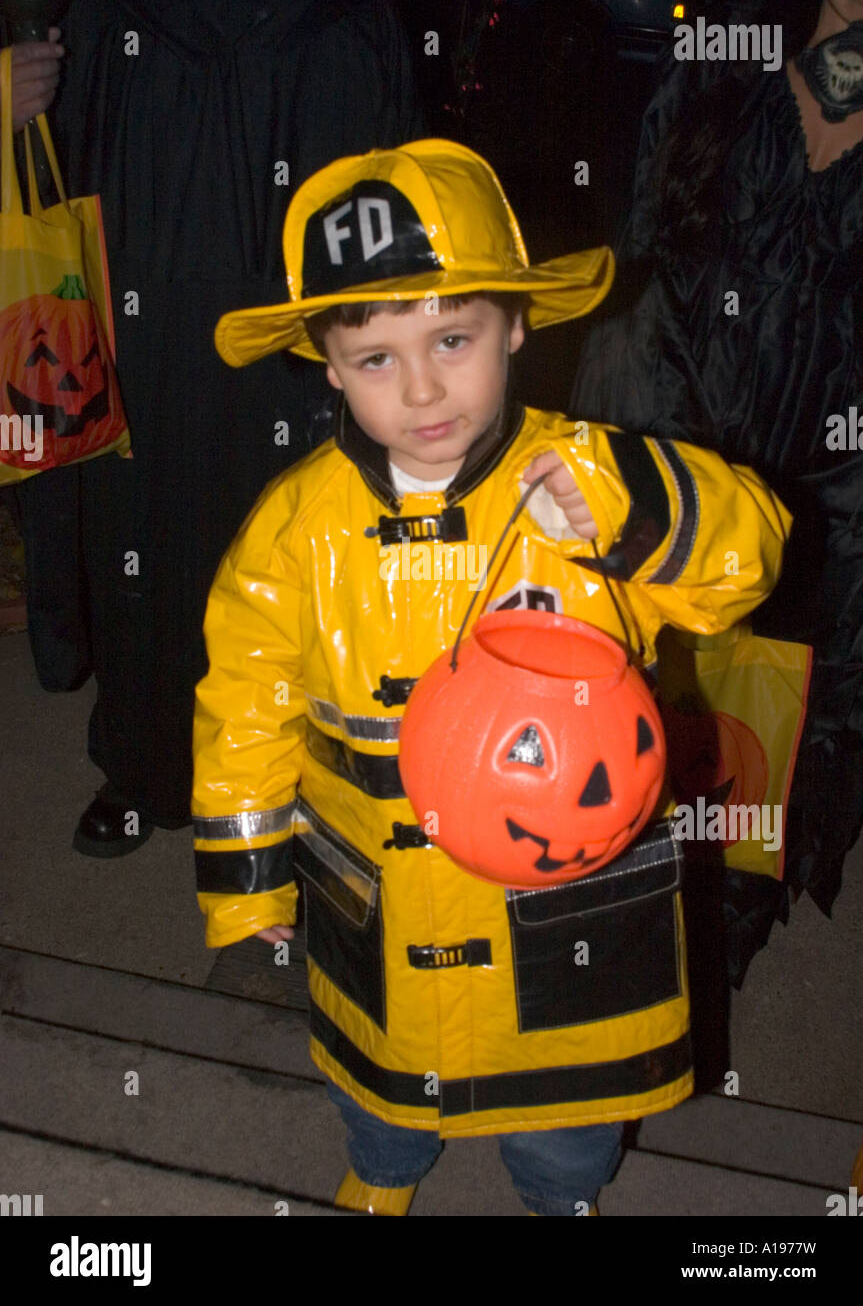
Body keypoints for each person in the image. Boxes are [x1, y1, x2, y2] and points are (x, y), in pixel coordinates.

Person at [190, 137, 790, 1216]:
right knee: (378, 1090)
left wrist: (634, 514)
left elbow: (747, 560)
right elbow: (244, 707)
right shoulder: (293, 530)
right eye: (375, 357)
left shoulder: (586, 485)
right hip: (376, 897)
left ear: (516, 325)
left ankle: (560, 1198)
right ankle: (381, 1174)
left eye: (452, 338)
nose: (421, 387)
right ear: (326, 364)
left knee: (568, 1121)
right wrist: (247, 893)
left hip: (567, 903)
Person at [9, 0, 423, 855]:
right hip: (144, 350)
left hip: (294, 359)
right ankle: (141, 767)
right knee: (139, 561)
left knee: (288, 571)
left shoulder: (354, 6)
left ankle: (286, 788)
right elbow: (53, 182)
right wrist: (15, 111)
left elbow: (393, 190)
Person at [570, 0, 863, 985]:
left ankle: (717, 952)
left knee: (768, 748)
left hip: (838, 494)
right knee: (645, 717)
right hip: (678, 436)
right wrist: (663, 474)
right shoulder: (724, 54)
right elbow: (639, 258)